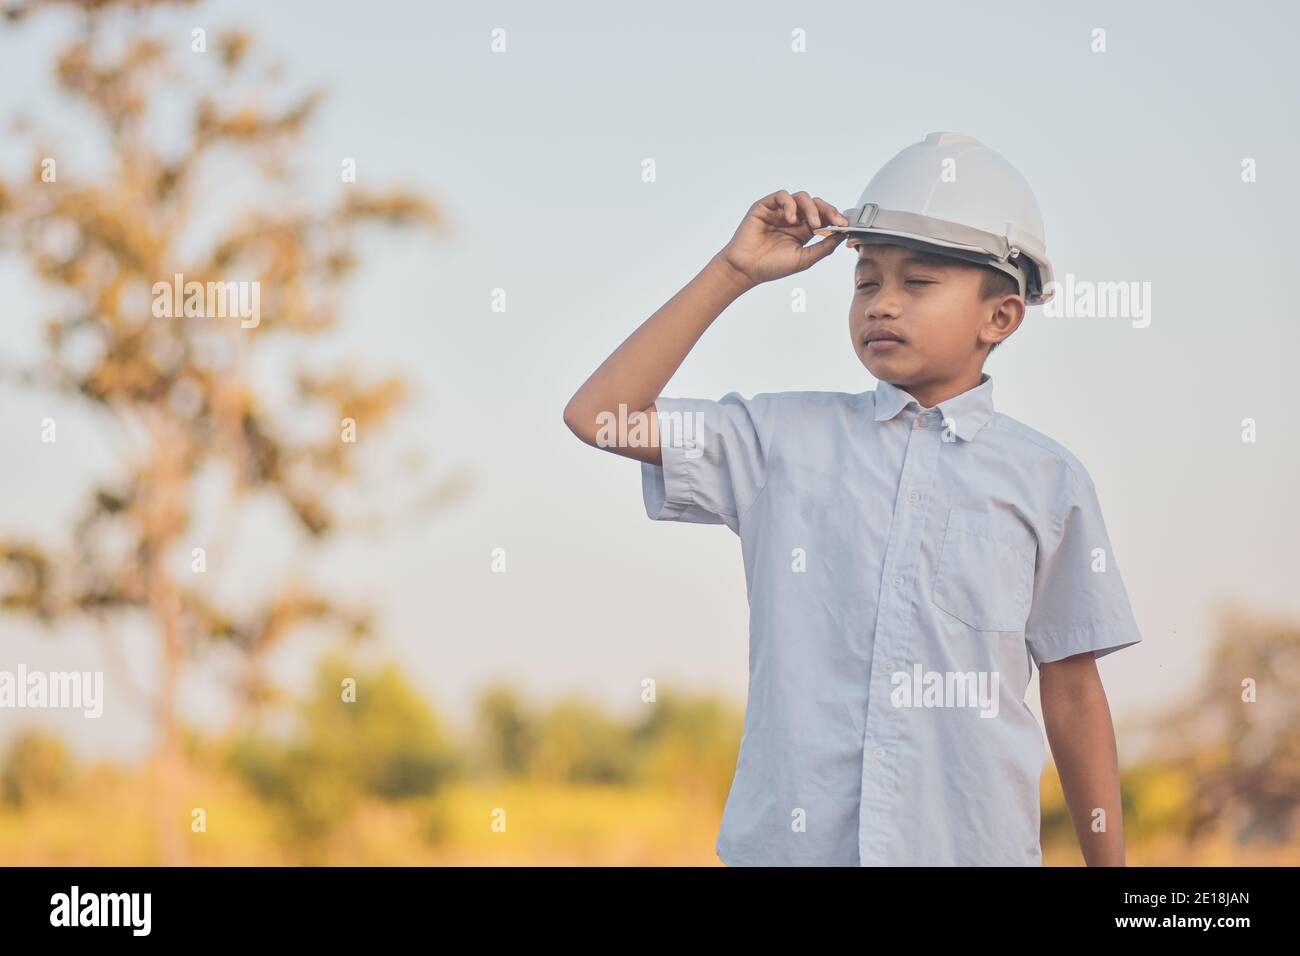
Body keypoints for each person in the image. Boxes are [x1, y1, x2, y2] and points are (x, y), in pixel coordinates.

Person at [563, 133, 1143, 866]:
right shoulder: (779, 439)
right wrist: (733, 271)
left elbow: (1073, 693)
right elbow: (598, 415)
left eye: (918, 283)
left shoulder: (1049, 482)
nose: (882, 304)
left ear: (999, 318)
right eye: (866, 281)